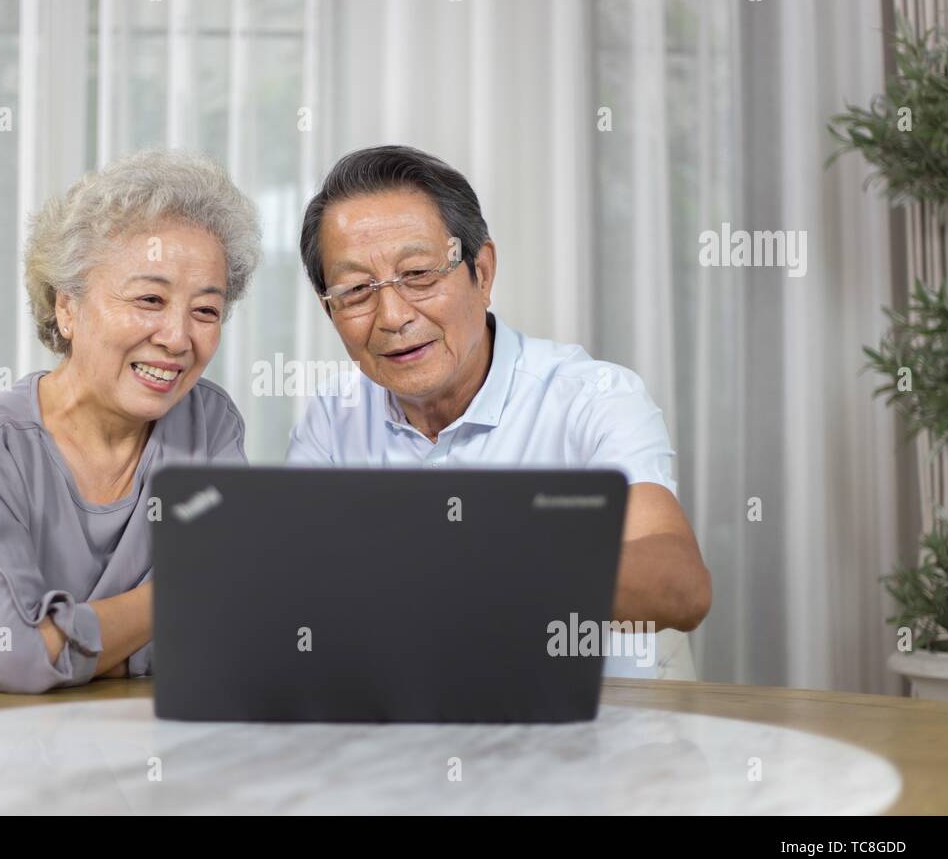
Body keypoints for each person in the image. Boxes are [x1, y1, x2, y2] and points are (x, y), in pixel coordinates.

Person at [287, 145, 711, 665]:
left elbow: (680, 585)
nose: (393, 316)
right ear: (330, 310)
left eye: (418, 273)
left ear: (481, 272)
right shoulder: (334, 416)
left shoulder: (594, 397)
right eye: (356, 290)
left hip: (594, 728)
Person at [0, 148, 260, 693]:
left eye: (205, 310)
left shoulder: (209, 422)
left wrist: (25, 648)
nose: (178, 338)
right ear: (67, 308)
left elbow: (235, 627)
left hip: (117, 736)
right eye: (149, 298)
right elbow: (19, 656)